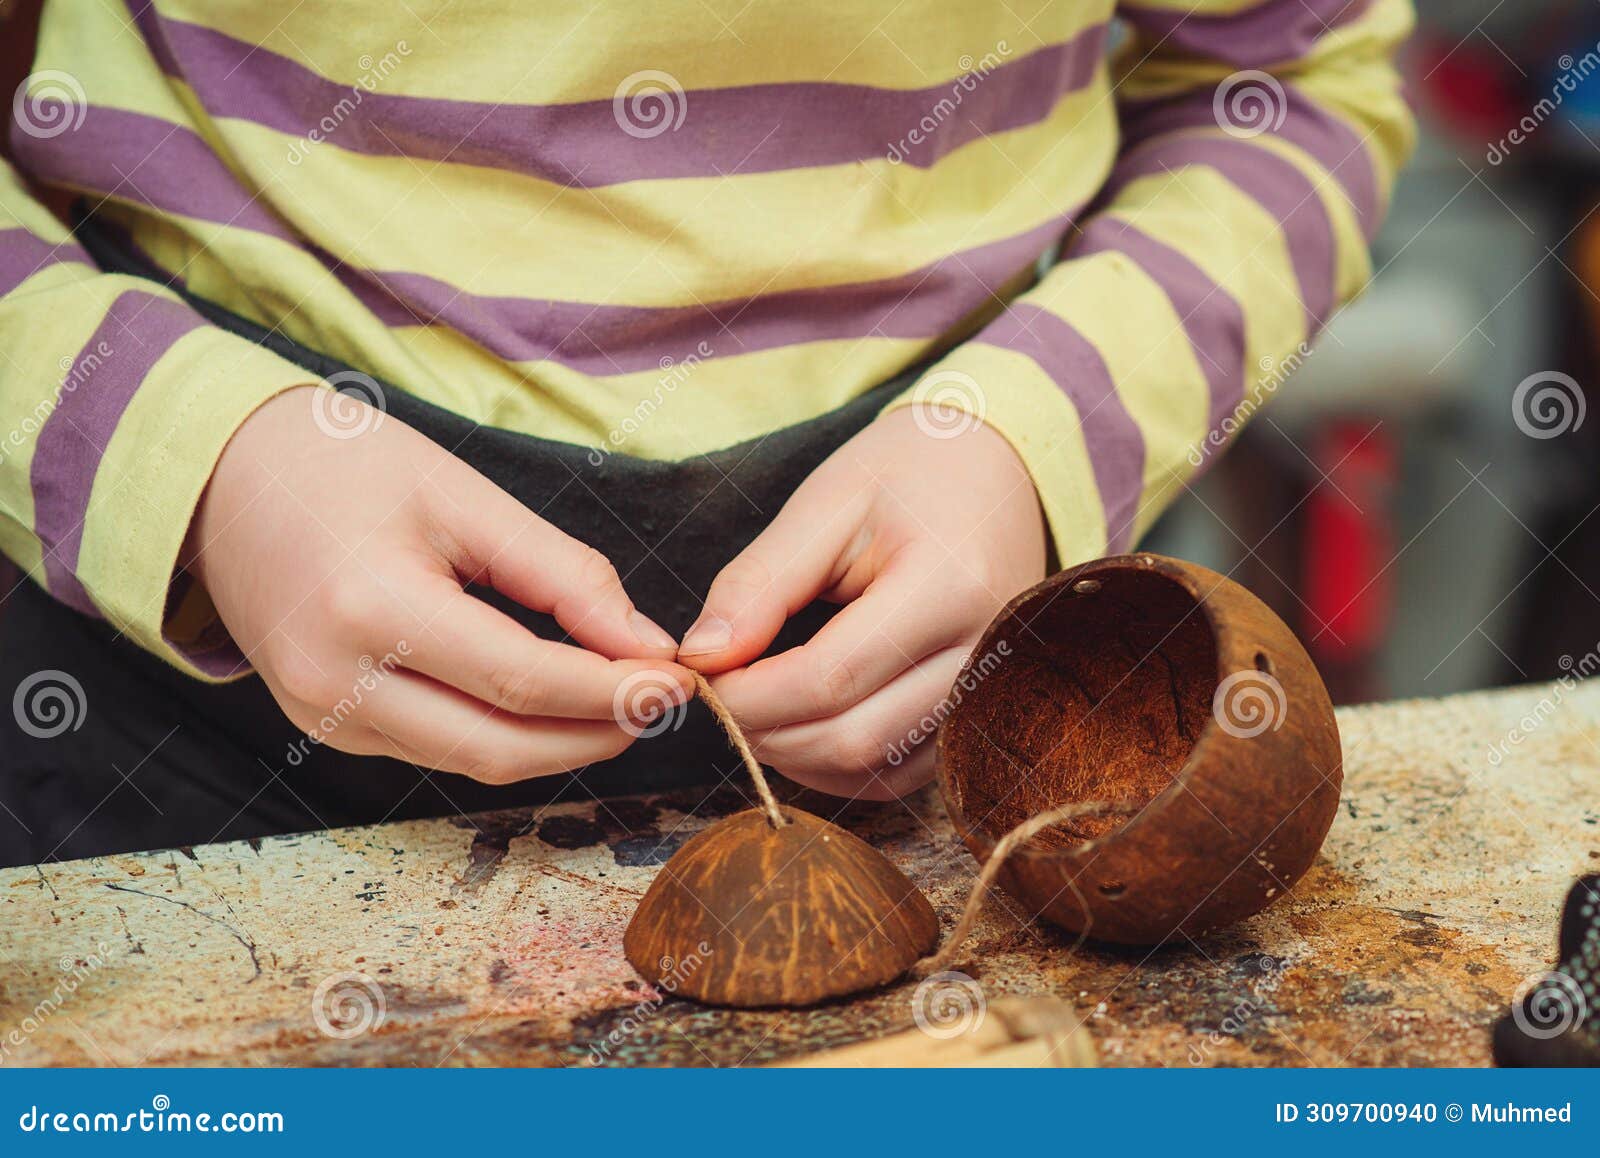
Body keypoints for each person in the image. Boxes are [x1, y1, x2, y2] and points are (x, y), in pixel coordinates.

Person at [0, 0, 1414, 863]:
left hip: (962, 723)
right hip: (181, 741)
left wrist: (1039, 434)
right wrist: (178, 452)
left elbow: (1294, 80)